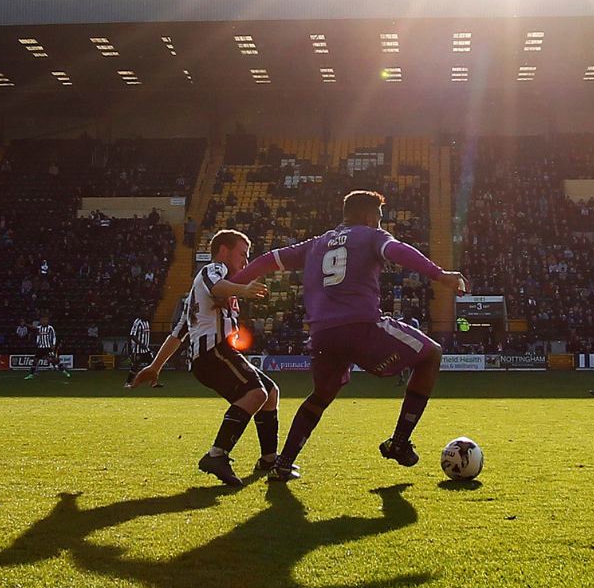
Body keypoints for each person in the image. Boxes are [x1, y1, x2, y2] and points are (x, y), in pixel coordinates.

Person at [230, 190, 468, 482]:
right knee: (431, 354)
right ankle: (399, 441)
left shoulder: (315, 244)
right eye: (379, 219)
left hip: (322, 335)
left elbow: (268, 260)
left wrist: (232, 285)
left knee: (321, 395)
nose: (380, 225)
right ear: (370, 217)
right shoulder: (371, 235)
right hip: (361, 327)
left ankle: (284, 462)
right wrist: (440, 274)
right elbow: (398, 251)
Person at [128, 229, 280, 486]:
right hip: (213, 353)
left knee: (270, 391)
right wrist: (243, 289)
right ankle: (216, 455)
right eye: (242, 254)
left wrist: (155, 366)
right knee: (257, 393)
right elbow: (216, 286)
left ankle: (269, 458)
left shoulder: (202, 292)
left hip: (212, 355)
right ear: (223, 251)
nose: (245, 262)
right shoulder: (213, 270)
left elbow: (179, 332)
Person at [126, 313, 155, 388]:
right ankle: (127, 383)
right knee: (135, 365)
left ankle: (152, 382)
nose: (147, 315)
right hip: (138, 349)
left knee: (153, 364)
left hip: (146, 349)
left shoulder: (147, 323)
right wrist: (140, 344)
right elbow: (132, 335)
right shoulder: (137, 322)